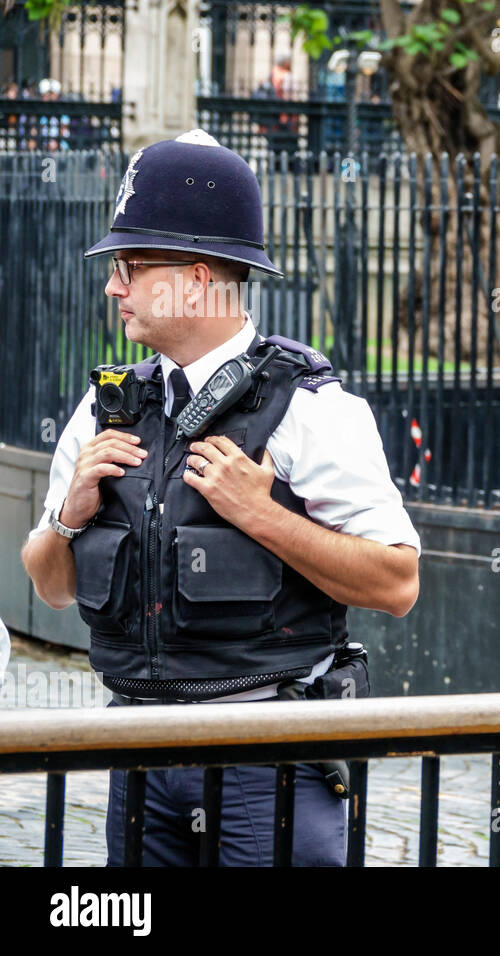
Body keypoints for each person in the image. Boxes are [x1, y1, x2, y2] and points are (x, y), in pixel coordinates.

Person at [19, 129, 420, 866]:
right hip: (136, 747)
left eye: (130, 266)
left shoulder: (310, 407)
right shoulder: (105, 407)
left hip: (266, 755)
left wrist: (263, 517)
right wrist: (67, 517)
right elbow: (46, 585)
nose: (113, 286)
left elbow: (397, 584)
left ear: (196, 279)